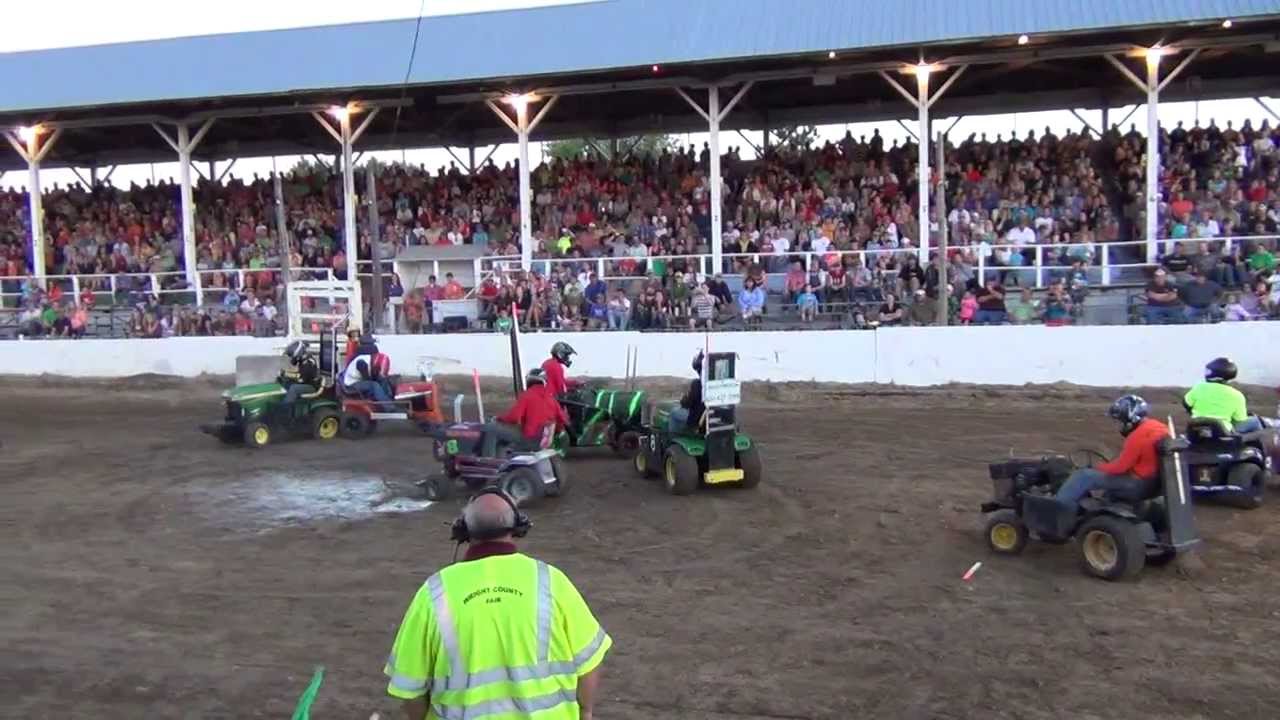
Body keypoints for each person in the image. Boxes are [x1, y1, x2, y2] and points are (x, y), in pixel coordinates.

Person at [384, 488, 611, 720]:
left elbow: (410, 688)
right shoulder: (551, 581)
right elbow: (590, 661)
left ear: (463, 530)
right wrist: (586, 711)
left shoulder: (433, 593)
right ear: (518, 527)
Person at [1054, 395, 1168, 510]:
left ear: (1130, 419)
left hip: (1137, 484)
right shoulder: (1159, 427)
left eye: (1120, 422)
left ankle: (1059, 511)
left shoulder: (1138, 435)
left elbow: (1120, 467)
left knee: (1083, 476)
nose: (1119, 426)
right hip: (1152, 484)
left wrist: (1096, 468)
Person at [486, 368, 570, 455]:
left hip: (528, 439)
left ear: (529, 380)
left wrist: (498, 418)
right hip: (544, 442)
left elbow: (514, 418)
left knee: (490, 428)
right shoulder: (551, 399)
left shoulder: (527, 395)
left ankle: (487, 459)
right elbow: (564, 420)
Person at [1184, 357, 1262, 433]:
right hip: (1222, 433)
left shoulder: (1199, 387)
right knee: (1256, 421)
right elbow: (1240, 420)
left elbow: (1186, 404)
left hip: (1196, 431)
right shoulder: (1236, 395)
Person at [279, 339, 322, 413]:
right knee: (283, 381)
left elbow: (300, 378)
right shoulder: (303, 360)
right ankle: (284, 401)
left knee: (294, 388)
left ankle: (284, 411)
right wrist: (285, 374)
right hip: (305, 382)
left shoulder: (308, 362)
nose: (292, 358)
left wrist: (286, 374)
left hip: (311, 386)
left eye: (292, 355)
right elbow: (298, 372)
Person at [668, 352, 705, 433]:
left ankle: (673, 438)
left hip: (697, 419)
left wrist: (683, 400)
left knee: (673, 412)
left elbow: (688, 403)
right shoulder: (715, 385)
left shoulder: (697, 384)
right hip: (707, 418)